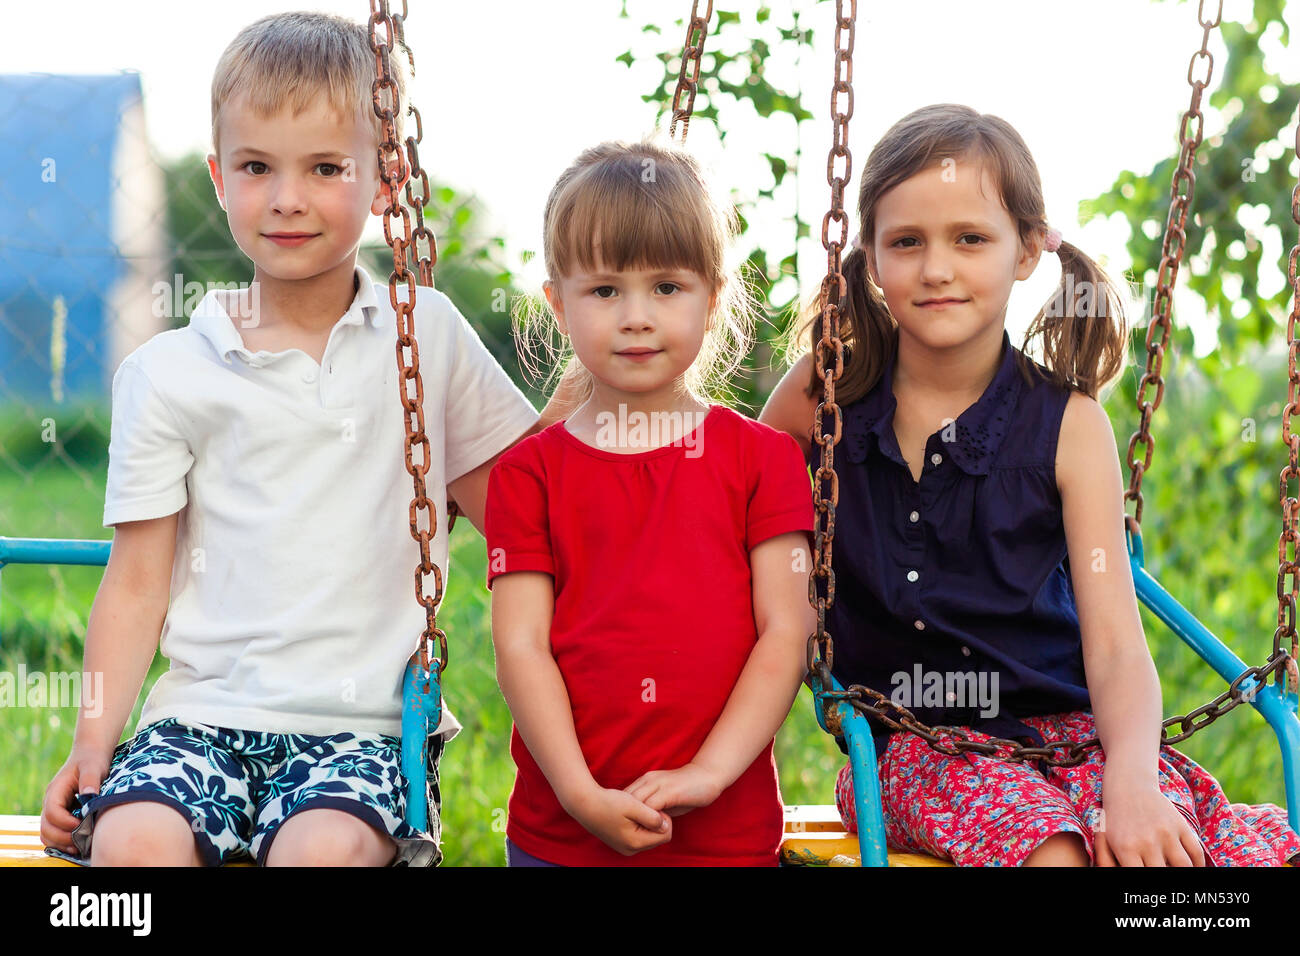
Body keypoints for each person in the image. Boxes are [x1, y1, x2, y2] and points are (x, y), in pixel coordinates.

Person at [38, 11, 568, 867]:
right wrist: (94, 746)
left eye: (326, 167)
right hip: (199, 721)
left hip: (360, 734)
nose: (287, 198)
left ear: (386, 180)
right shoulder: (166, 371)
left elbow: (526, 510)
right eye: (256, 167)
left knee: (320, 853)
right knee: (132, 846)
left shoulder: (423, 335)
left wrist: (600, 381)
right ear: (218, 177)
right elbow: (135, 587)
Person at [760, 103, 1300, 867]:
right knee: (1054, 853)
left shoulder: (1070, 426)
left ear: (1027, 250)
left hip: (1069, 739)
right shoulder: (829, 393)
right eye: (906, 242)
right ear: (872, 259)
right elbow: (734, 491)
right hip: (918, 746)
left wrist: (1135, 781)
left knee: (1183, 855)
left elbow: (1114, 648)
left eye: (970, 239)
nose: (937, 268)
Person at [485, 139, 816, 866]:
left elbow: (784, 634)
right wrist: (577, 793)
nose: (636, 316)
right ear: (558, 304)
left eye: (667, 287)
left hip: (723, 835)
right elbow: (520, 646)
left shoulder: (761, 460)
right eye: (605, 290)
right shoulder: (530, 474)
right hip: (560, 835)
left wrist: (710, 773)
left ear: (713, 296)